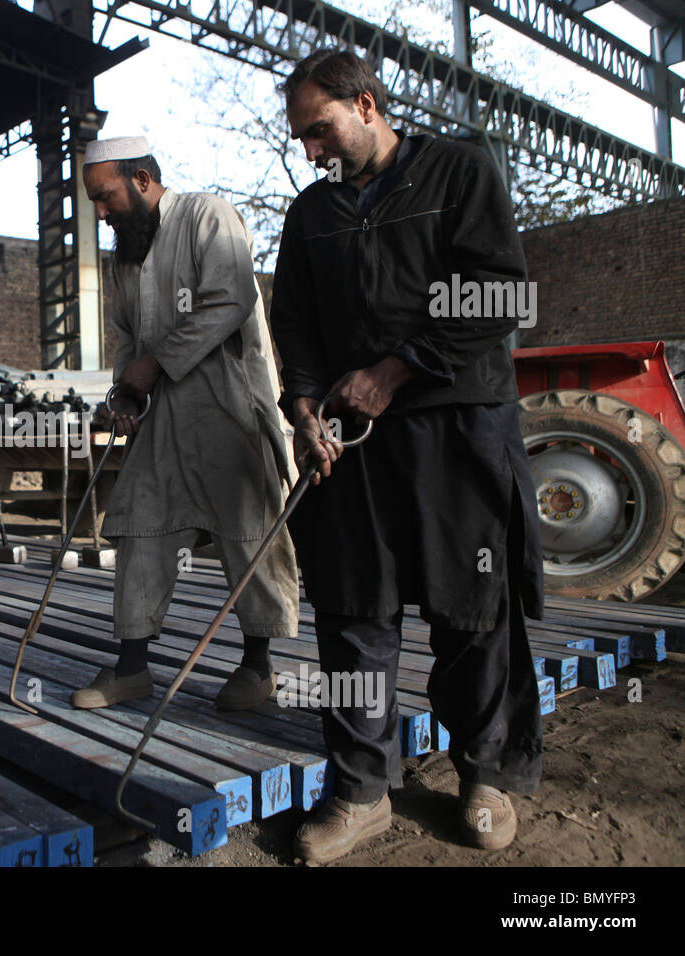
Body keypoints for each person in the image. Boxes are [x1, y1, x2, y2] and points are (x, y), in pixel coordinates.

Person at [268, 50, 545, 863]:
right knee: (352, 614)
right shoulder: (309, 216)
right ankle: (359, 792)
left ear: (366, 103)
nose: (312, 152)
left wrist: (393, 372)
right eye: (302, 139)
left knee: (472, 610)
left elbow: (500, 293)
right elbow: (297, 327)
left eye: (320, 130)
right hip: (352, 443)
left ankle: (484, 775)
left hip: (456, 425)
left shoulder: (459, 172)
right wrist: (304, 408)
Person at [68, 136, 301, 714]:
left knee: (246, 534)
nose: (101, 212)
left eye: (106, 197)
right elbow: (127, 336)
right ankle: (131, 669)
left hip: (227, 407)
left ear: (142, 178)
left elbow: (230, 301)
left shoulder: (207, 215)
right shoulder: (124, 254)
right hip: (160, 418)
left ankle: (257, 668)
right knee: (140, 527)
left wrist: (156, 363)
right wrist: (126, 389)